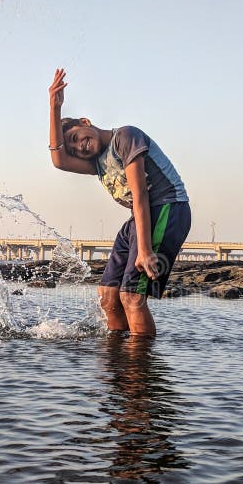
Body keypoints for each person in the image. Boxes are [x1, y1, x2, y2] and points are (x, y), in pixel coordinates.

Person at [47, 68, 191, 336]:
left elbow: (141, 194)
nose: (80, 147)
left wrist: (145, 250)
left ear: (85, 122)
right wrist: (54, 109)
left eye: (76, 137)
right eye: (74, 149)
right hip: (140, 218)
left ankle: (139, 371)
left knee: (131, 297)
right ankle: (118, 364)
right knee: (108, 296)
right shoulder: (97, 164)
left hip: (168, 208)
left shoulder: (125, 137)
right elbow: (59, 160)